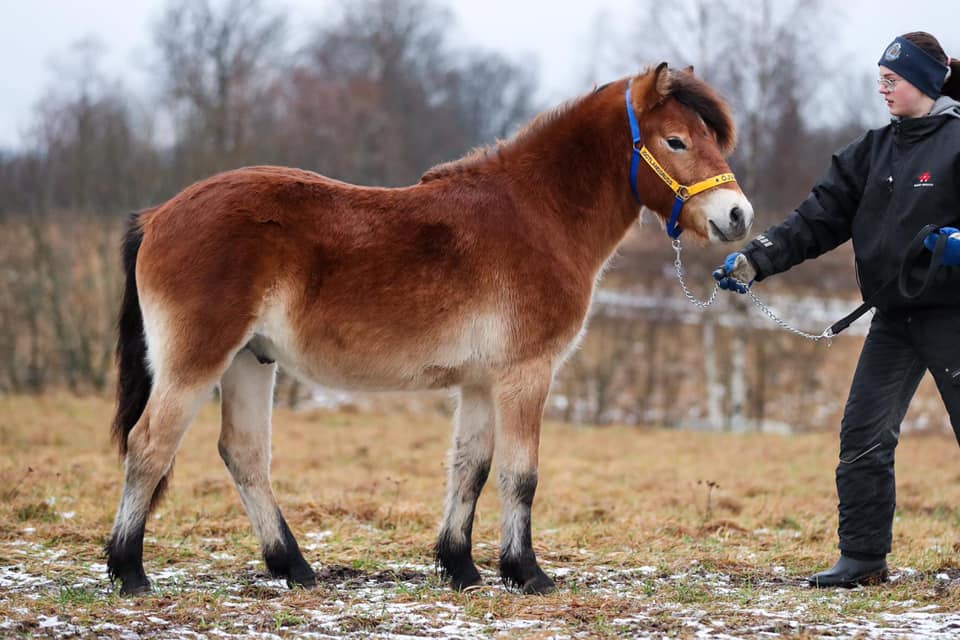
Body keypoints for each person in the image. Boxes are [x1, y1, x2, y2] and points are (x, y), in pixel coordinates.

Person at [713, 32, 960, 588]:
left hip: (953, 315)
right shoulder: (871, 151)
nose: (883, 87)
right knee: (864, 435)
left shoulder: (957, 141)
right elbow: (815, 219)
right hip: (895, 318)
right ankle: (863, 558)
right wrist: (754, 261)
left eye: (892, 78)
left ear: (923, 80)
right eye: (881, 77)